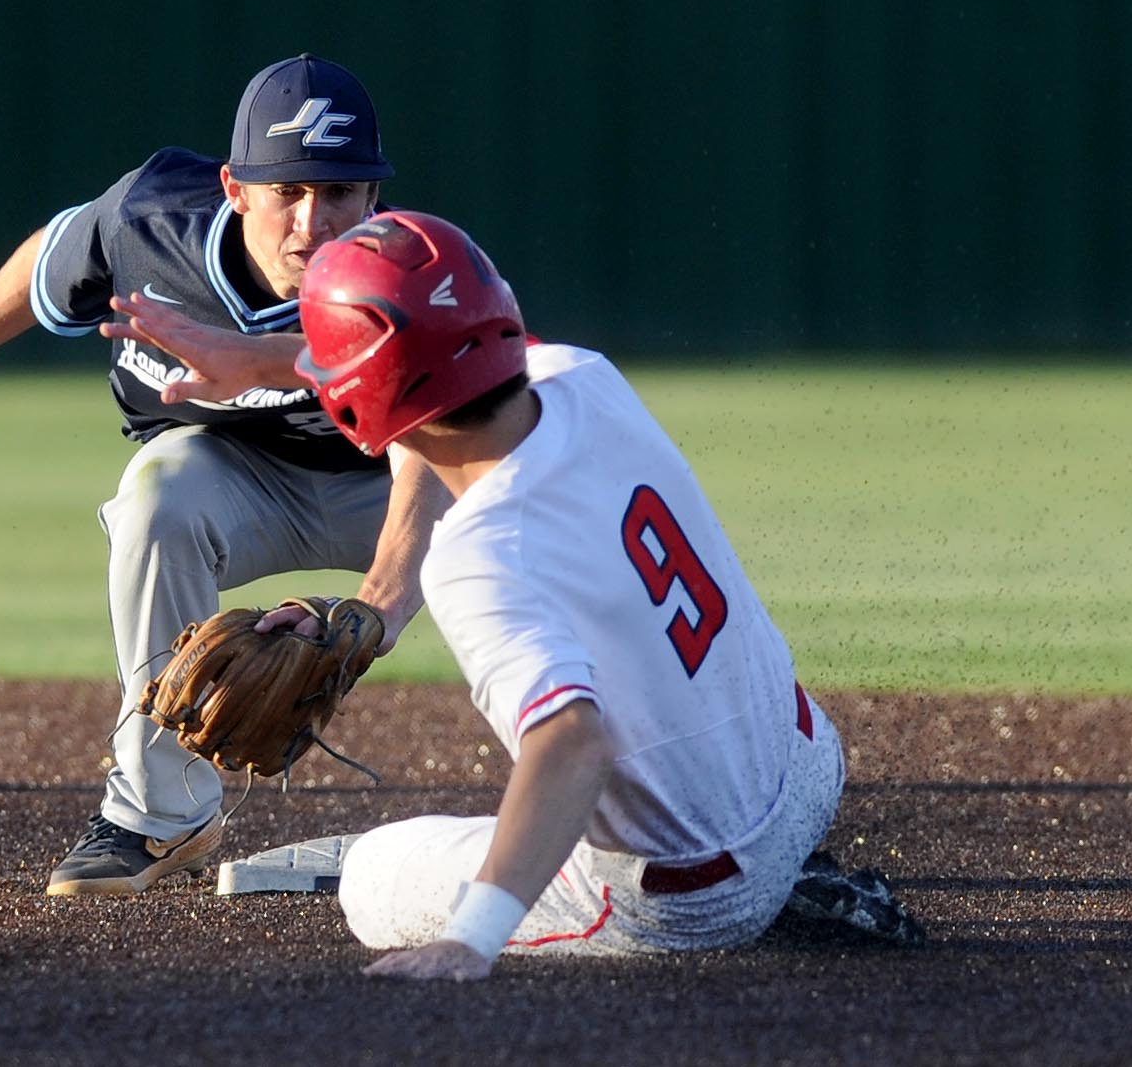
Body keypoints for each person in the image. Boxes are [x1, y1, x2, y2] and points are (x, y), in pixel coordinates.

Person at [264, 209, 919, 981]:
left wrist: (473, 937)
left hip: (697, 898)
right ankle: (789, 872)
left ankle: (763, 897)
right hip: (808, 766)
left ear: (353, 404)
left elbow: (572, 743)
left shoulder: (478, 553)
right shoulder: (585, 375)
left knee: (372, 877)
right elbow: (442, 350)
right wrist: (251, 363)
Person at [0, 55, 449, 896]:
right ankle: (158, 813)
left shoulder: (416, 274)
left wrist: (379, 609)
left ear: (372, 200)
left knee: (536, 531)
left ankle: (603, 802)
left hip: (391, 485)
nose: (313, 221)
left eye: (340, 191)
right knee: (155, 496)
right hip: (242, 477)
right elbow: (54, 255)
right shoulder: (152, 221)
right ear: (235, 188)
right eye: (287, 190)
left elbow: (437, 446)